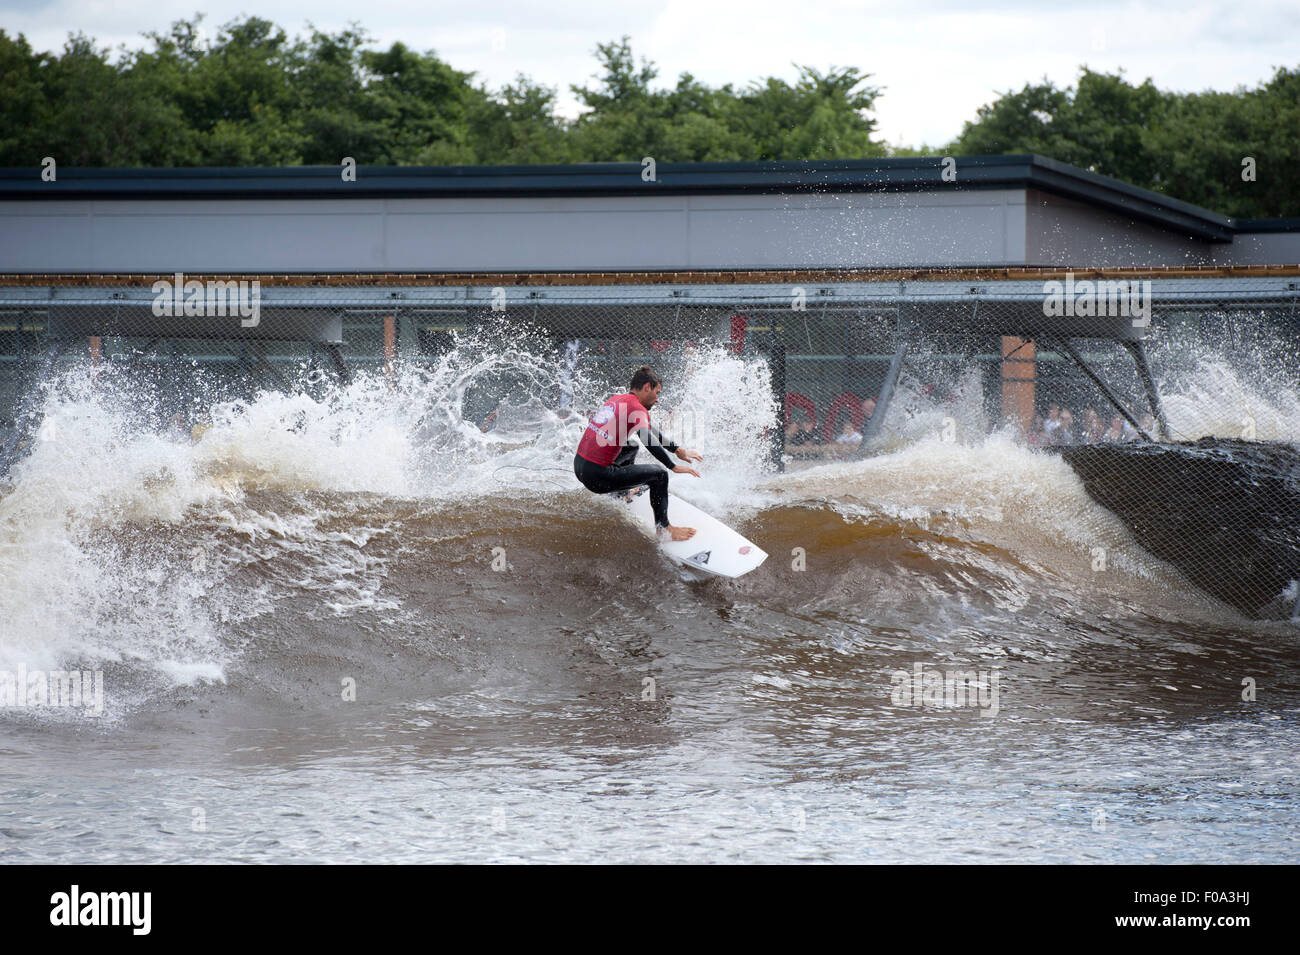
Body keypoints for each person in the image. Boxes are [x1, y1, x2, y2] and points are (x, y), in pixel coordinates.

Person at [573, 366, 703, 542]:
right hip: (597, 477)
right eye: (657, 392)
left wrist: (677, 450)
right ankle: (664, 528)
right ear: (647, 387)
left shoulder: (618, 399)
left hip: (580, 466)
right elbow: (647, 438)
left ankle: (621, 493)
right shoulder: (636, 407)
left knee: (630, 447)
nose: (657, 399)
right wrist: (672, 466)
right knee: (659, 474)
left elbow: (649, 430)